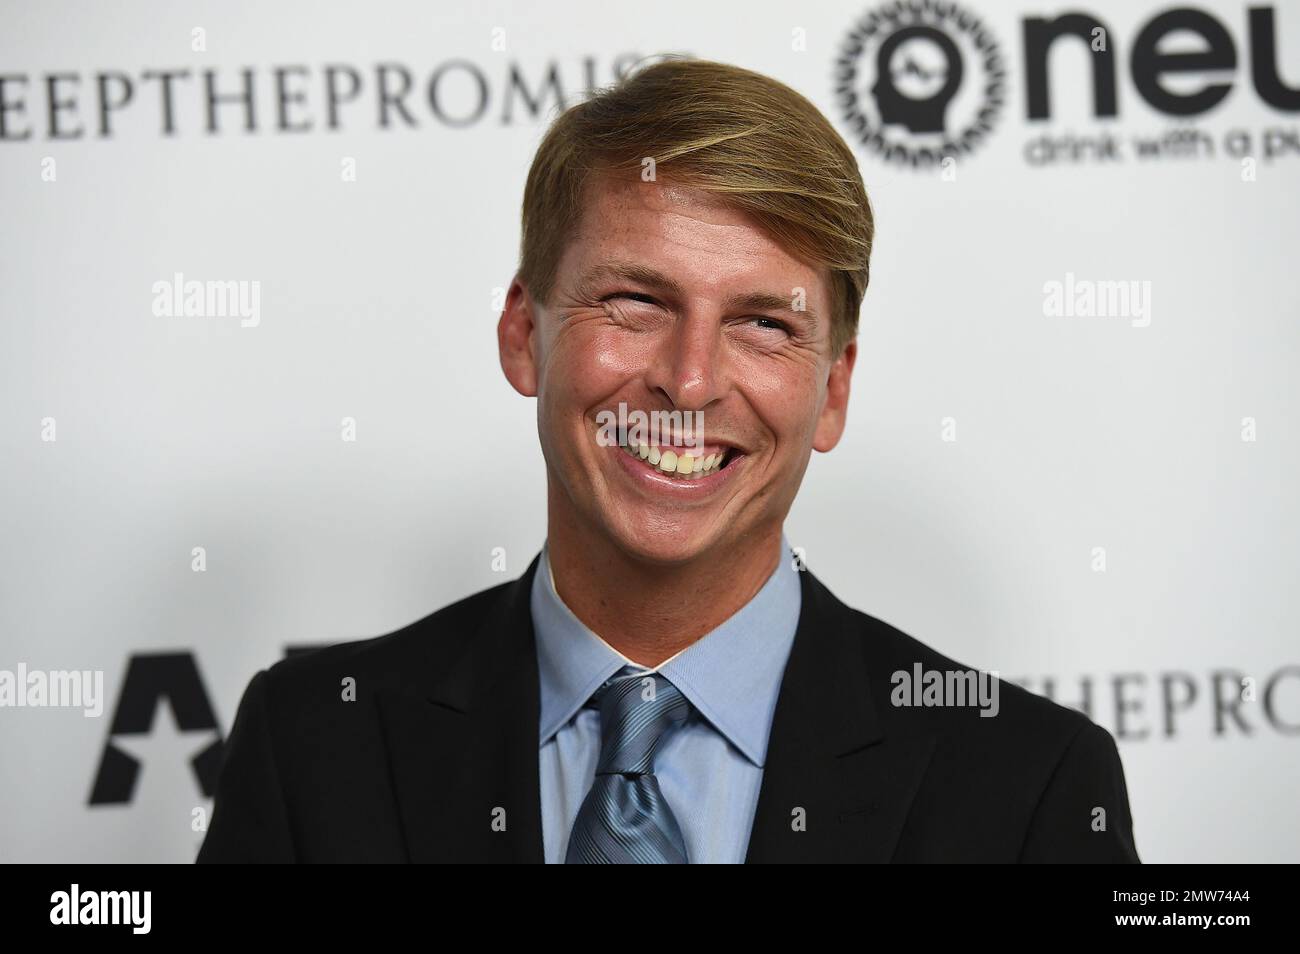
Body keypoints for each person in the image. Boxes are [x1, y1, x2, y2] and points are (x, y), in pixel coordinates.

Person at [197, 56, 1139, 863]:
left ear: (834, 389)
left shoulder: (1028, 788)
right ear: (524, 331)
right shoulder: (314, 745)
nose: (689, 384)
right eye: (635, 302)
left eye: (763, 324)